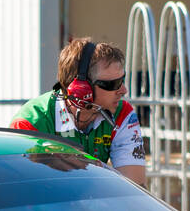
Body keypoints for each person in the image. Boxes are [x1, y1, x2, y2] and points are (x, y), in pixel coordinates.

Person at [11, 37, 146, 186]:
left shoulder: (122, 113)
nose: (123, 90)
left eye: (122, 79)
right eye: (113, 84)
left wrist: (90, 167)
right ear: (81, 90)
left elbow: (134, 185)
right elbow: (20, 189)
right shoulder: (31, 122)